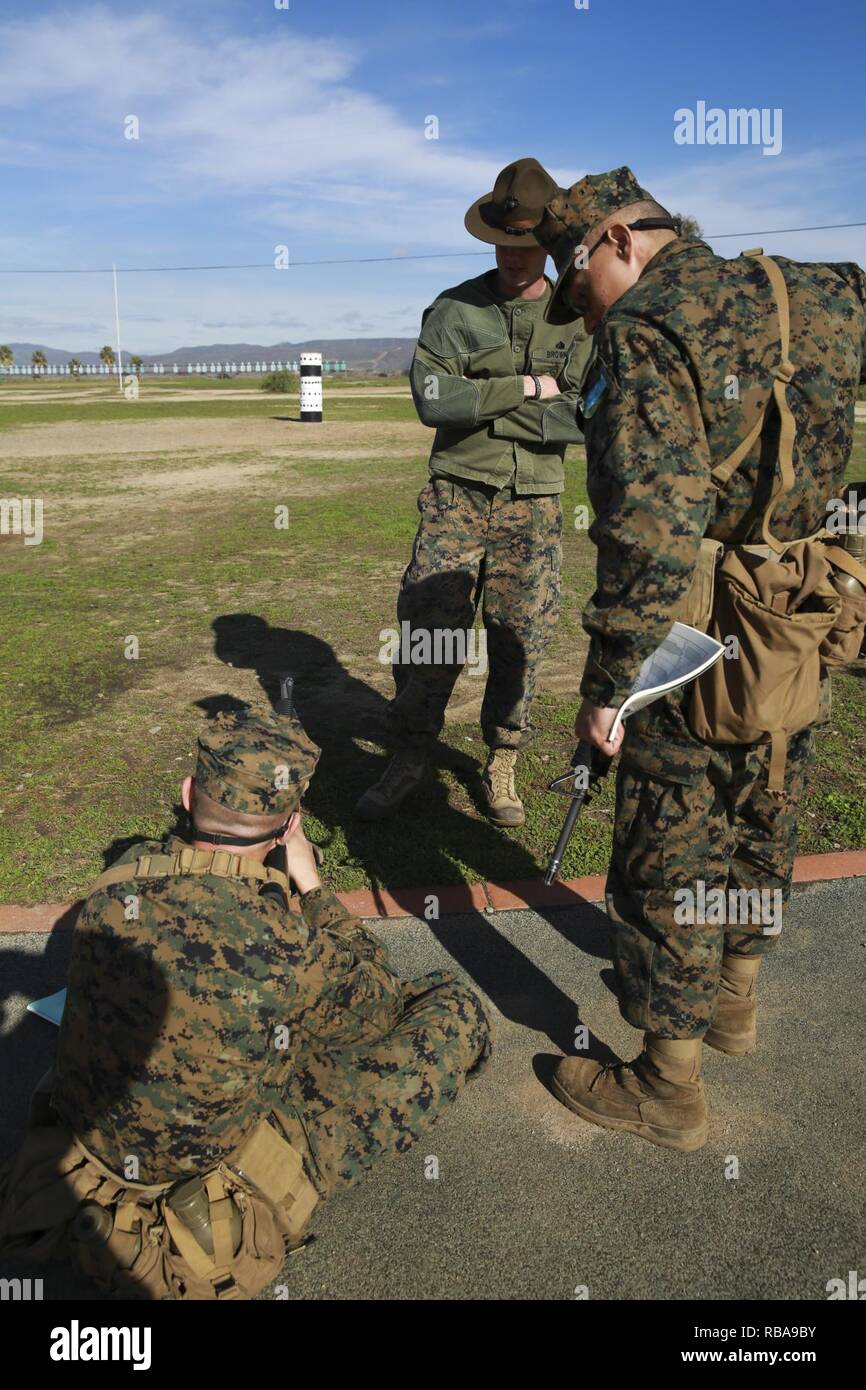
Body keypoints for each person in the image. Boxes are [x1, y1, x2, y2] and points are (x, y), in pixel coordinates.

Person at [530, 165, 866, 1150]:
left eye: (577, 278)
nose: (582, 309)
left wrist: (609, 692)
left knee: (667, 842)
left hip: (692, 638)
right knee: (767, 795)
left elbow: (650, 528)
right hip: (800, 613)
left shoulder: (642, 335)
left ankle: (664, 1088)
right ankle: (732, 1001)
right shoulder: (808, 289)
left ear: (617, 242)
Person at [3, 704, 491, 1279]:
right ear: (289, 826)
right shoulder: (285, 942)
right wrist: (309, 887)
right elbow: (378, 1004)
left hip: (92, 1146)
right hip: (215, 1176)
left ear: (188, 794)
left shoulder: (114, 890)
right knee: (452, 1008)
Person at [356, 157, 592, 827]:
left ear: (549, 243)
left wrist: (479, 400)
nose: (515, 258)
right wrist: (525, 388)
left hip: (536, 502)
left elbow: (584, 414)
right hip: (457, 494)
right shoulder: (455, 310)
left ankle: (502, 763)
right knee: (430, 634)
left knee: (522, 638)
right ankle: (407, 756)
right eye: (504, 244)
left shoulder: (577, 316)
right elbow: (434, 403)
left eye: (529, 245)